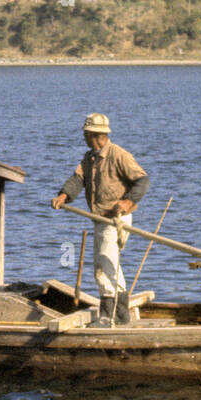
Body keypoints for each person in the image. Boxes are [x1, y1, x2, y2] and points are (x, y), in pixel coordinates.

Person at [51, 113, 150, 327]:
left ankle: (108, 317)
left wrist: (126, 202)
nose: (84, 137)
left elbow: (142, 180)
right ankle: (122, 315)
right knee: (108, 264)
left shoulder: (118, 155)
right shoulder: (90, 158)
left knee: (104, 266)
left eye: (86, 133)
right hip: (100, 220)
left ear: (95, 135)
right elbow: (78, 179)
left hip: (116, 220)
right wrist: (63, 195)